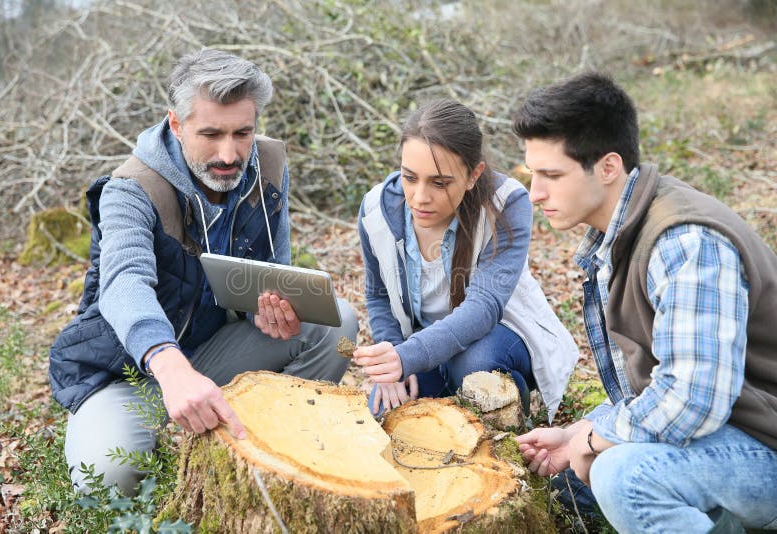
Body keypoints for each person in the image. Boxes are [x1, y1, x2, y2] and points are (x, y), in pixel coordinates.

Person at [49, 49, 357, 496]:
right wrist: (172, 370)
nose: (229, 153)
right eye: (210, 134)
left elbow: (268, 271)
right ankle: (136, 434)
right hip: (127, 371)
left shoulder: (265, 167)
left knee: (334, 323)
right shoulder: (129, 190)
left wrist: (266, 311)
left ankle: (265, 452)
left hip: (210, 351)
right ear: (176, 123)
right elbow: (123, 284)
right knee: (110, 480)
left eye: (242, 133)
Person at [512, 72, 777, 533]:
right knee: (586, 474)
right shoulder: (623, 234)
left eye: (551, 175)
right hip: (732, 438)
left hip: (765, 448)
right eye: (532, 174)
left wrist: (596, 438)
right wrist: (577, 433)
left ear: (608, 167)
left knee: (623, 475)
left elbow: (692, 397)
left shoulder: (684, 240)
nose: (535, 193)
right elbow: (653, 388)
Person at [352, 99, 578, 421]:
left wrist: (407, 356)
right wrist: (393, 359)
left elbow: (483, 308)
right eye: (409, 177)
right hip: (420, 345)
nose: (419, 197)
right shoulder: (376, 210)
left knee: (475, 364)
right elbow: (378, 295)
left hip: (502, 336)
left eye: (440, 183)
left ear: (473, 175)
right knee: (384, 413)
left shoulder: (506, 203)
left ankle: (512, 416)